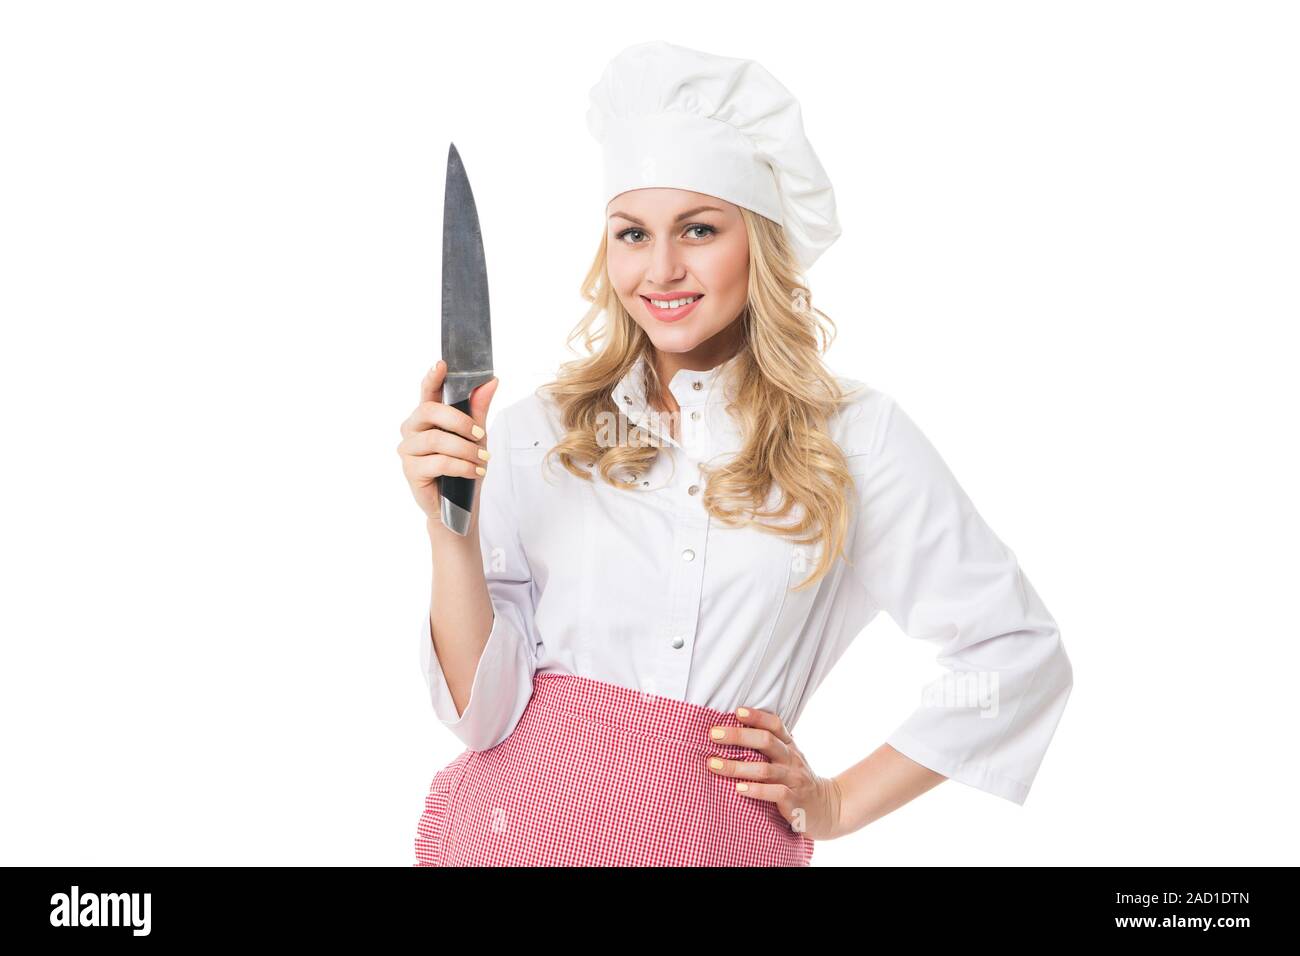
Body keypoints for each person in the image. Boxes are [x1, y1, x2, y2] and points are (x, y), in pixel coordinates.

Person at [397, 41, 1073, 867]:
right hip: (508, 841)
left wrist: (839, 803)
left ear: (757, 241)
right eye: (632, 234)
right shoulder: (541, 428)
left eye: (700, 229)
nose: (662, 268)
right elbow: (482, 712)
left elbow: (1014, 651)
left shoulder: (853, 440)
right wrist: (447, 532)